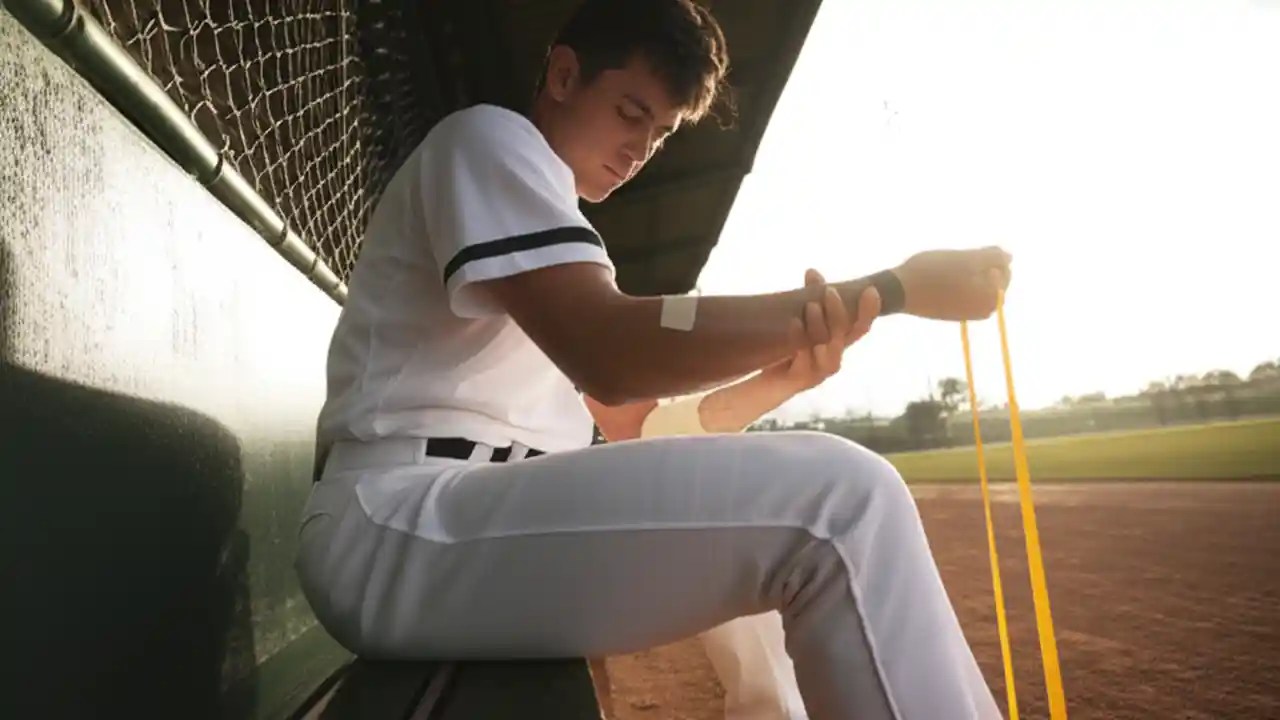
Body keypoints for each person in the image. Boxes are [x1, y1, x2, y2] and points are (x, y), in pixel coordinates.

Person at [294, 1, 1010, 718]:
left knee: (764, 498)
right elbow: (613, 349)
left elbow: (640, 421)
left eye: (661, 133)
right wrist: (896, 289)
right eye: (630, 112)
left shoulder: (547, 234)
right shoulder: (489, 141)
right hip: (397, 520)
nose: (640, 148)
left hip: (465, 514)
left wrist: (779, 378)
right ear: (565, 75)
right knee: (842, 499)